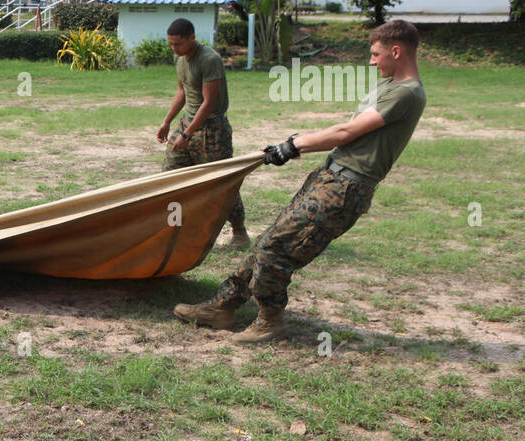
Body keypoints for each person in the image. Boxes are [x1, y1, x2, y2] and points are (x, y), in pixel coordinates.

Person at [174, 20, 426, 343]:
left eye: (376, 55)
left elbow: (349, 133)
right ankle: (222, 307)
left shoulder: (407, 93)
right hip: (330, 174)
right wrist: (296, 143)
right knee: (267, 240)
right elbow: (348, 126)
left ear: (396, 51)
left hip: (346, 189)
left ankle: (270, 320)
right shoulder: (387, 84)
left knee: (276, 251)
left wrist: (294, 145)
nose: (372, 61)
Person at [155, 18, 249, 248]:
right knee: (171, 177)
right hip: (187, 123)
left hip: (212, 131)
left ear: (192, 38)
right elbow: (182, 91)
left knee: (220, 184)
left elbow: (209, 103)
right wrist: (167, 122)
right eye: (171, 44)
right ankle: (174, 228)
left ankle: (239, 233)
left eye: (178, 44)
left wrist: (187, 135)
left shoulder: (209, 59)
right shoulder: (179, 58)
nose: (174, 49)